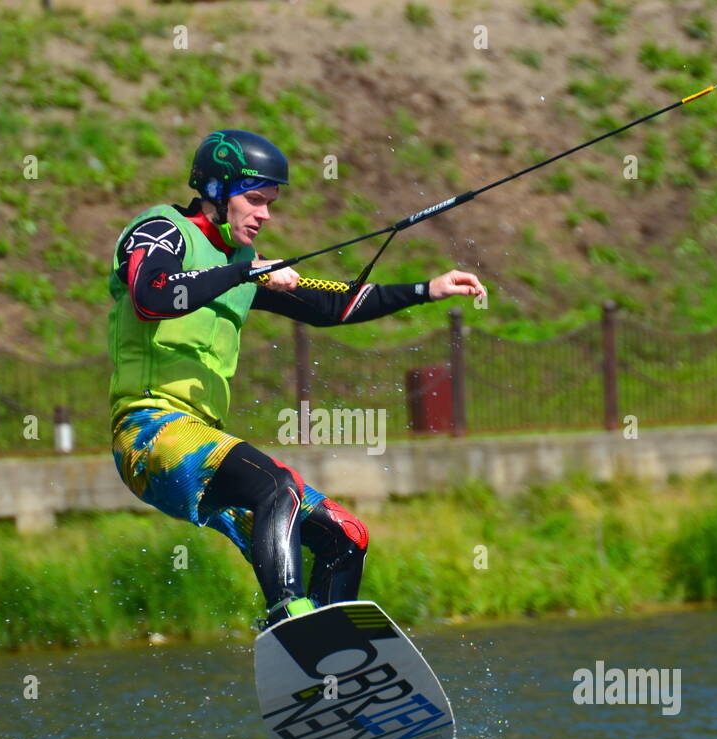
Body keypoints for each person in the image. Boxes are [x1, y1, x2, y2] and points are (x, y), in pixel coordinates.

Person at [107, 129, 486, 632]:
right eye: (255, 200)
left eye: (271, 203)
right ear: (217, 192)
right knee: (277, 486)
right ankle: (292, 621)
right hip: (149, 433)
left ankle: (334, 663)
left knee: (345, 536)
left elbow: (332, 303)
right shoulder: (163, 230)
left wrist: (427, 289)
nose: (265, 214)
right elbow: (152, 294)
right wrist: (247, 275)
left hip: (204, 446)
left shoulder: (242, 264)